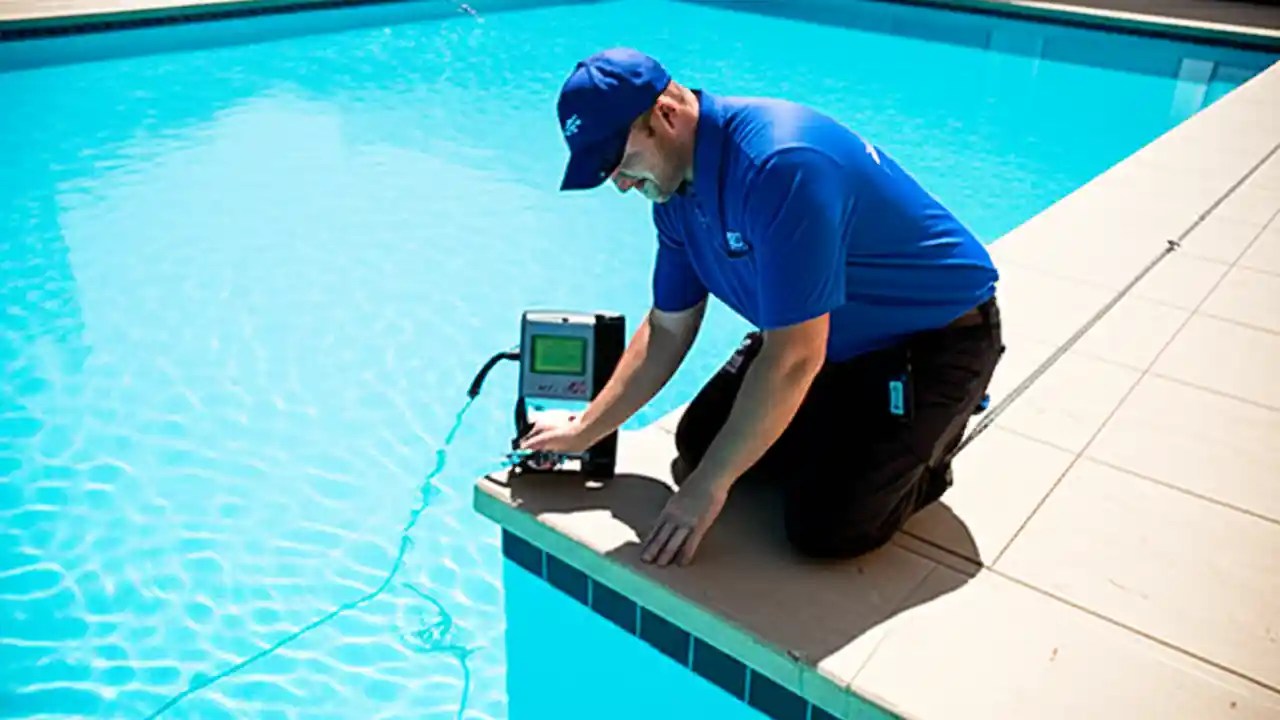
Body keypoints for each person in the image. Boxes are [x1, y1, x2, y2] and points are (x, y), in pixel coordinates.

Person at [520, 47, 1004, 568]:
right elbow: (666, 327)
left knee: (828, 528)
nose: (618, 183)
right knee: (700, 446)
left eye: (619, 160)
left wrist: (706, 492)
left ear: (666, 114)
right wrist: (586, 429)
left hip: (929, 341)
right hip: (822, 340)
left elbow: (794, 357)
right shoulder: (673, 190)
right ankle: (844, 421)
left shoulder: (780, 164)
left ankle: (934, 435)